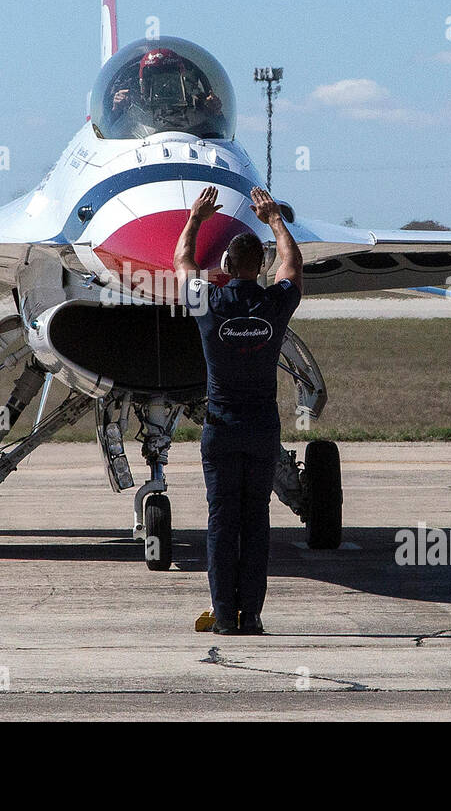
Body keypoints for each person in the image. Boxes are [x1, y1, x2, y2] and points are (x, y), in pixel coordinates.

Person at [174, 186, 303, 635]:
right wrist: (273, 219)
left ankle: (225, 617)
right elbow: (293, 264)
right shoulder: (276, 303)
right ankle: (253, 615)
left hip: (221, 430)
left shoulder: (208, 304)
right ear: (261, 268)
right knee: (257, 521)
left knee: (222, 522)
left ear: (225, 267)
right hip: (262, 430)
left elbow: (182, 262)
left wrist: (195, 218)